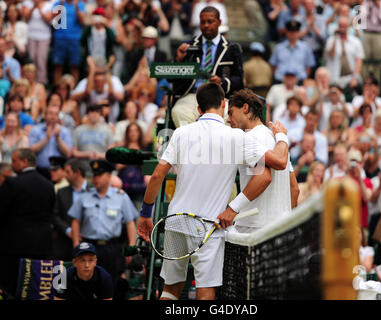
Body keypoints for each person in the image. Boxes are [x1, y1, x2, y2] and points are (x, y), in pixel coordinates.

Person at [137, 82, 290, 300]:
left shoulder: (179, 133)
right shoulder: (237, 137)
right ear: (224, 104)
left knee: (170, 290)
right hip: (207, 228)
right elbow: (274, 167)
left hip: (175, 221)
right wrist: (282, 136)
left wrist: (145, 214)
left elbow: (158, 175)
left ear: (198, 109)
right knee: (205, 292)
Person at [227, 89, 294, 233]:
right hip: (282, 227)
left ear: (245, 108)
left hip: (254, 228)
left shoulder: (248, 138)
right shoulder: (278, 140)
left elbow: (264, 177)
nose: (228, 119)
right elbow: (294, 188)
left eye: (230, 112)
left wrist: (232, 209)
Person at [68, 159, 138, 288]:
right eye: (94, 175)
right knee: (85, 286)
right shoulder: (84, 196)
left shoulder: (121, 197)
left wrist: (131, 247)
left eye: (99, 175)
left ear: (109, 176)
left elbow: (130, 223)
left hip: (111, 248)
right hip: (89, 247)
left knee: (110, 285)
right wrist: (76, 244)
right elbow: (75, 221)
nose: (96, 179)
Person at [171, 6, 244, 128]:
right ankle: (191, 145)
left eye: (210, 21)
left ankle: (216, 146)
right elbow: (171, 78)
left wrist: (221, 81)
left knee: (229, 116)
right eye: (202, 22)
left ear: (219, 22)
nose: (206, 25)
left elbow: (239, 79)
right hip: (192, 95)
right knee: (179, 112)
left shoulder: (232, 49)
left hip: (219, 97)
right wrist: (178, 60)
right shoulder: (188, 46)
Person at [0, 148, 55, 297]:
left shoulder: (12, 183)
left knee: (10, 289)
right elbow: (50, 213)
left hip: (14, 247)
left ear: (24, 162)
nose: (11, 165)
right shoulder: (48, 185)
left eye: (14, 161)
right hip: (41, 246)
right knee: (35, 290)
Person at [51, 158, 91, 261]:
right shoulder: (61, 192)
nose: (64, 174)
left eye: (67, 171)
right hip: (65, 244)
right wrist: (69, 230)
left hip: (89, 242)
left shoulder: (93, 191)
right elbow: (54, 216)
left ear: (77, 172)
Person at [29, 104, 73, 179]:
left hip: (59, 172)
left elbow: (68, 153)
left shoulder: (64, 131)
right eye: (50, 113)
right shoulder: (36, 130)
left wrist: (58, 139)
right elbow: (31, 151)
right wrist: (46, 138)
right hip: (40, 170)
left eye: (56, 114)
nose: (53, 116)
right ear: (45, 115)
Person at [323, 16, 365, 92]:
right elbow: (331, 54)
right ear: (337, 26)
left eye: (344, 26)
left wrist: (354, 78)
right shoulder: (331, 40)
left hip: (350, 77)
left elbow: (359, 61)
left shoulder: (356, 41)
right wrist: (335, 37)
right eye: (340, 26)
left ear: (348, 26)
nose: (342, 28)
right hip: (334, 78)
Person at [270, 20, 316, 84]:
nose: (292, 34)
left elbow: (309, 66)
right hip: (281, 82)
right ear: (287, 32)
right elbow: (273, 65)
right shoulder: (279, 47)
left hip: (299, 82)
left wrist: (304, 78)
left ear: (299, 32)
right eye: (290, 31)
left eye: (295, 31)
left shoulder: (305, 47)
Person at [51, 0, 86, 84]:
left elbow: (82, 21)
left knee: (74, 66)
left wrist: (76, 7)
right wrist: (61, 5)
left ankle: (74, 89)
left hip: (75, 39)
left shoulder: (80, 4)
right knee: (58, 65)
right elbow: (54, 20)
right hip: (60, 38)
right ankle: (57, 89)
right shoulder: (58, 3)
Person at [21, 0, 54, 85]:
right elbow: (26, 18)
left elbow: (48, 19)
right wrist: (33, 7)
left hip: (44, 36)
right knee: (32, 59)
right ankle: (30, 82)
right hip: (31, 36)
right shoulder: (27, 3)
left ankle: (42, 83)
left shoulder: (49, 5)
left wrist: (39, 7)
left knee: (41, 60)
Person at [361, 0, 381, 85]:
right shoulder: (365, 3)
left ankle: (376, 88)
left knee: (378, 63)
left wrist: (378, 6)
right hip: (366, 34)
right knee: (364, 62)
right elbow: (359, 20)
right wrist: (368, 7)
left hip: (380, 35)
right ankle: (365, 87)